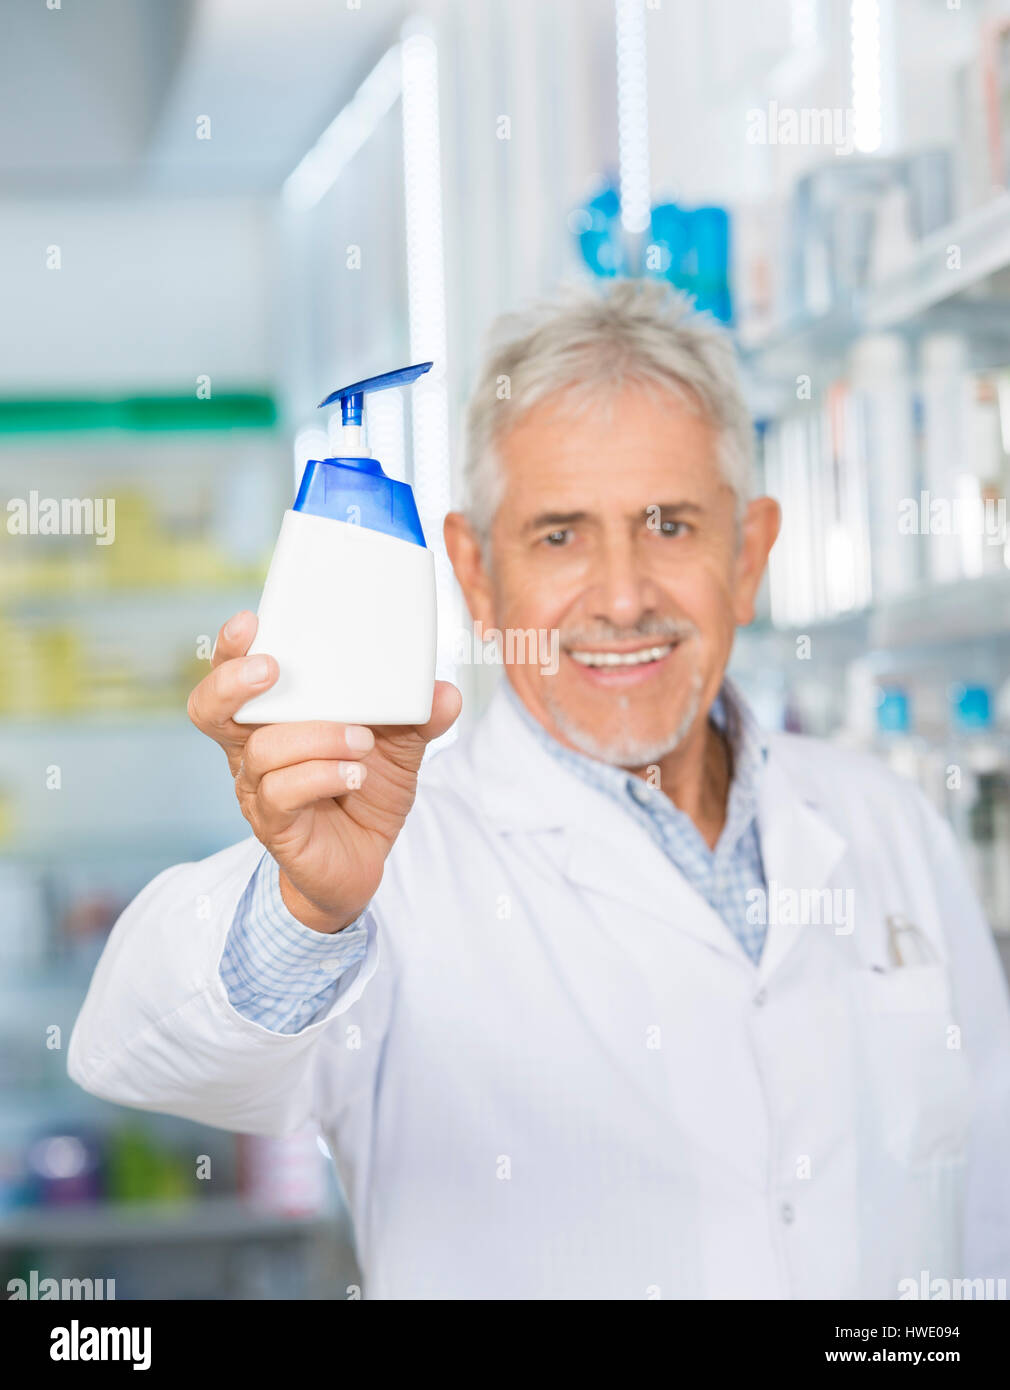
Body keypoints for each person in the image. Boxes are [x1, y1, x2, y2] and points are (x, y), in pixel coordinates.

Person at [69, 280, 1010, 1300]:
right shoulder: (395, 866)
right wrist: (308, 908)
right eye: (558, 534)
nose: (619, 595)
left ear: (747, 554)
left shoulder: (885, 823)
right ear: (473, 574)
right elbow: (138, 1051)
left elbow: (986, 1212)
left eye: (670, 526)